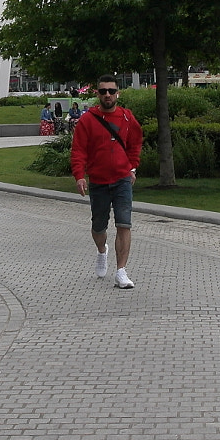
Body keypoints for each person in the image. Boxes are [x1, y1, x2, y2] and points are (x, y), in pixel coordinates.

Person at [70, 76, 142, 289]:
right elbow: (79, 150)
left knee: (124, 223)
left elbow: (135, 143)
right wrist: (79, 175)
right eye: (103, 91)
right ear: (98, 94)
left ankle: (121, 271)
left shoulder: (127, 118)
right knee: (98, 226)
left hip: (122, 180)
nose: (107, 95)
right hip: (99, 181)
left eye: (111, 91)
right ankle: (102, 250)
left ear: (117, 93)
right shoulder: (88, 120)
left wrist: (132, 167)